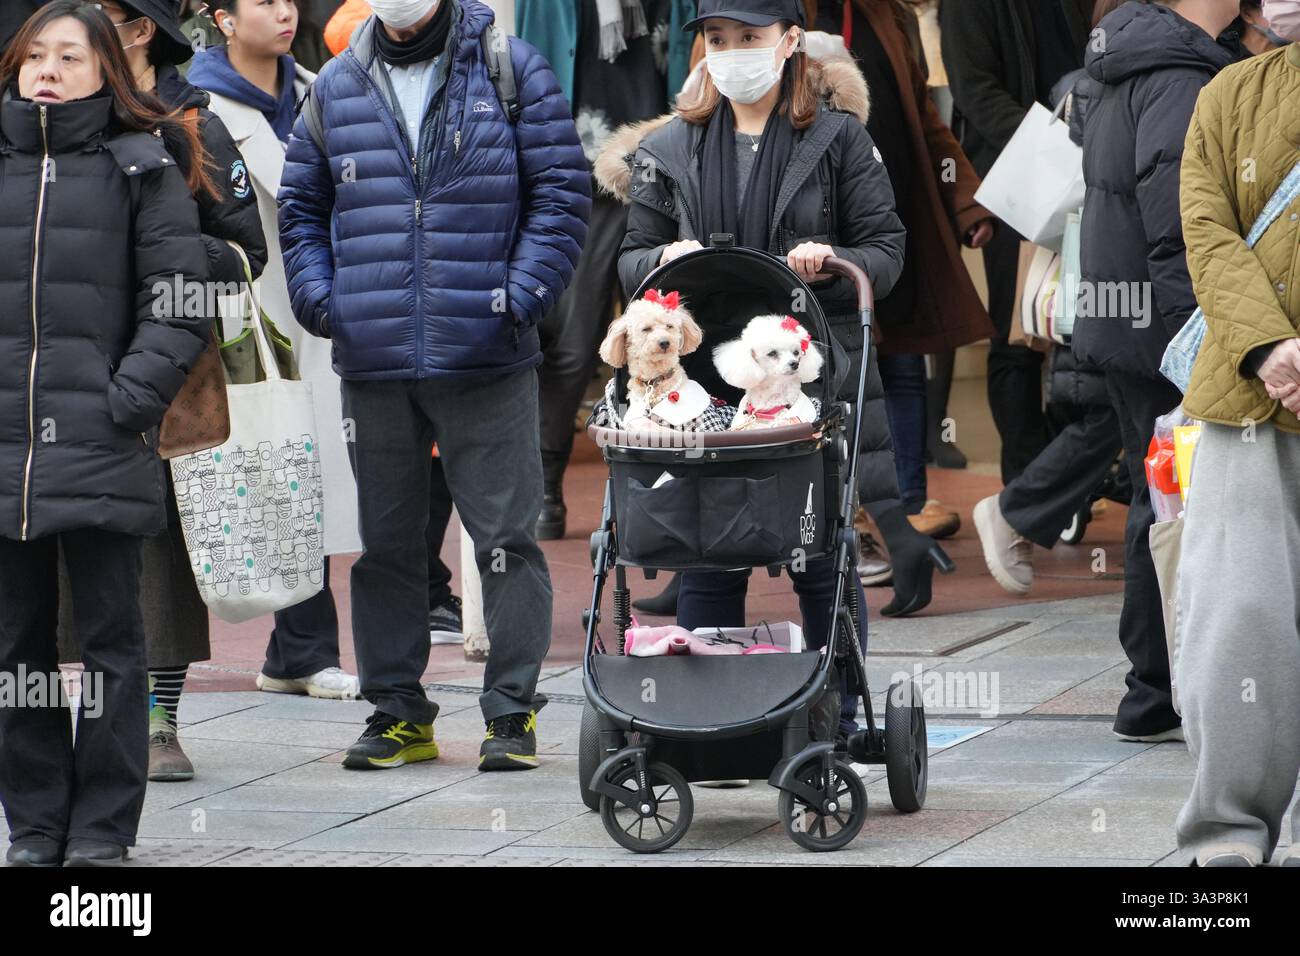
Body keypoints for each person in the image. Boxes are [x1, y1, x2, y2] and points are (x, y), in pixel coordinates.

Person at [278, 0, 590, 771]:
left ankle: (511, 714)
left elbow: (561, 195)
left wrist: (515, 298)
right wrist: (327, 302)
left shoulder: (512, 70)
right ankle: (396, 713)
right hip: (375, 360)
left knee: (507, 542)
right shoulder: (334, 87)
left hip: (487, 355)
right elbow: (301, 208)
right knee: (385, 548)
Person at [604, 0, 907, 738]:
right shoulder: (670, 146)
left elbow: (887, 252)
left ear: (790, 42)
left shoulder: (839, 140)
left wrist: (831, 261)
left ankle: (834, 713)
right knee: (706, 550)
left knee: (818, 550)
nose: (733, 51)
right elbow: (630, 258)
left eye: (749, 38)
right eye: (718, 39)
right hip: (698, 381)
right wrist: (660, 260)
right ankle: (706, 717)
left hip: (803, 375)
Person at [0, 0, 211, 866]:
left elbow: (181, 304)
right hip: (6, 452)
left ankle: (100, 833)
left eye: (70, 58)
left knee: (114, 645)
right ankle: (37, 825)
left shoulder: (142, 166)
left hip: (103, 442)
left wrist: (126, 402)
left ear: (108, 76)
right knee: (18, 650)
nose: (48, 70)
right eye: (35, 55)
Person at [51, 0, 268, 785]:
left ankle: (158, 718)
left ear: (140, 31)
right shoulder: (54, 120)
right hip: (60, 370)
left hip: (164, 372)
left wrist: (164, 245)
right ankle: (65, 718)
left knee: (157, 553)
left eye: (105, 16)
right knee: (62, 545)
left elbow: (248, 253)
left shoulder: (191, 125)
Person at [1072, 0, 1241, 744]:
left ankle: (1154, 691)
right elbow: (1177, 223)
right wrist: (1198, 343)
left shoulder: (1128, 63)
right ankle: (1156, 691)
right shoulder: (1177, 74)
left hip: (1123, 315)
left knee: (1161, 495)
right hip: (1163, 328)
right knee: (1175, 502)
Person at [189, 0, 364, 702]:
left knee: (311, 471)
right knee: (273, 472)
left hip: (325, 306)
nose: (285, 11)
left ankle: (298, 649)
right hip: (246, 314)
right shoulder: (198, 107)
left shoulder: (323, 90)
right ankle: (295, 649)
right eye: (263, 1)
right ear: (222, 19)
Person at [1174, 0, 1300, 867]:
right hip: (1246, 392)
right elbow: (1208, 230)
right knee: (1238, 618)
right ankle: (1227, 834)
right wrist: (1269, 344)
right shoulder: (1228, 91)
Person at [814, 0, 995, 545]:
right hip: (820, 226)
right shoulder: (779, 15)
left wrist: (966, 202)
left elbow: (923, 116)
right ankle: (846, 512)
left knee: (904, 361)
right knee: (836, 370)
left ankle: (908, 504)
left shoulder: (889, 15)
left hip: (895, 215)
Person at [518, 0, 679, 543]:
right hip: (578, 176)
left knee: (666, 335)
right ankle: (545, 481)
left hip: (659, 174)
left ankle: (664, 494)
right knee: (572, 340)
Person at [940, 0, 1093, 485]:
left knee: (1086, 327)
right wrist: (1055, 145)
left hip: (1088, 170)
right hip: (1017, 176)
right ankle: (1025, 485)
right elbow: (976, 91)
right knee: (1019, 333)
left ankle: (1068, 476)